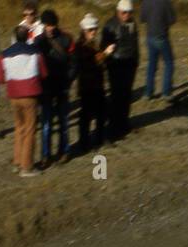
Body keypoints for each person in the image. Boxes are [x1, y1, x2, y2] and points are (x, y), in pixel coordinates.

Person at [0, 23, 48, 177]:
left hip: (13, 95)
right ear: (27, 38)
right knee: (30, 130)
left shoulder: (3, 55)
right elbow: (44, 73)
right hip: (30, 95)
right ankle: (27, 166)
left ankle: (17, 162)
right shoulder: (35, 52)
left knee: (19, 128)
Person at [72, 14, 112, 153]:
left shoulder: (94, 43)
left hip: (97, 84)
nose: (93, 32)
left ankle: (99, 139)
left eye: (95, 29)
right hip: (87, 86)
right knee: (86, 116)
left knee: (101, 112)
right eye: (90, 30)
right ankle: (84, 142)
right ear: (84, 31)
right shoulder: (80, 46)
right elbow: (89, 63)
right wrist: (105, 54)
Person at [37, 10, 73, 164]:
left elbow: (74, 63)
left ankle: (64, 151)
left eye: (51, 25)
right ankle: (46, 155)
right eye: (47, 25)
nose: (49, 28)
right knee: (46, 124)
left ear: (55, 25)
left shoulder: (66, 40)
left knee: (64, 121)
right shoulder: (38, 42)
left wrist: (68, 81)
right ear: (43, 25)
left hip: (62, 86)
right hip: (46, 87)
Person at [102, 0, 140, 140]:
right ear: (118, 11)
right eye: (124, 12)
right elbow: (104, 46)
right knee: (116, 97)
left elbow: (135, 43)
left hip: (129, 63)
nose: (127, 15)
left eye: (129, 12)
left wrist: (136, 60)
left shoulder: (133, 23)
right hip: (116, 64)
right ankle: (113, 127)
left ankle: (124, 123)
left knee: (126, 96)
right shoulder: (110, 25)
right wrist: (108, 61)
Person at [142, 0, 178, 99]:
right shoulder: (166, 2)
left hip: (150, 36)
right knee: (169, 63)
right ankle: (166, 92)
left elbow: (143, 19)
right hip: (162, 36)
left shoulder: (146, 2)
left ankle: (148, 92)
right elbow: (172, 20)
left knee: (152, 65)